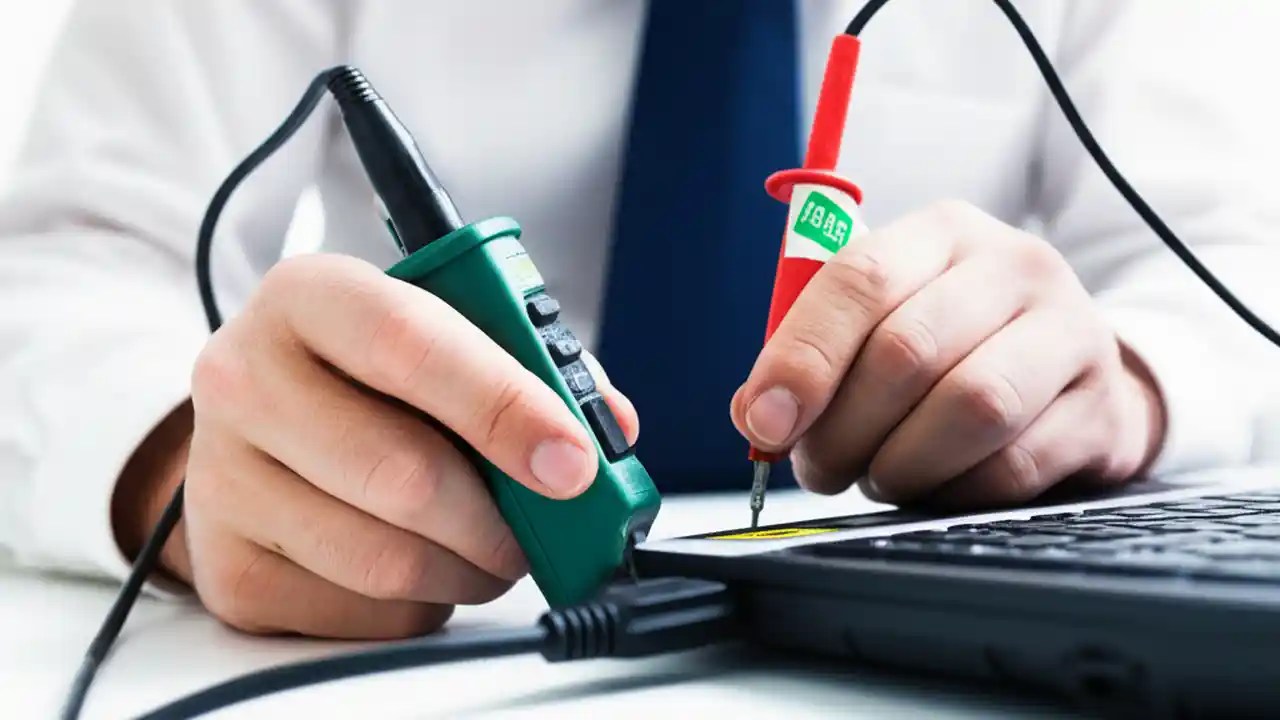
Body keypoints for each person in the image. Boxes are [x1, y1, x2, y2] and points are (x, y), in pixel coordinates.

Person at [0, 0, 1277, 640]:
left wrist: (1128, 381)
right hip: (461, 624)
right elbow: (58, 266)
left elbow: (1237, 262)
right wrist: (187, 463)